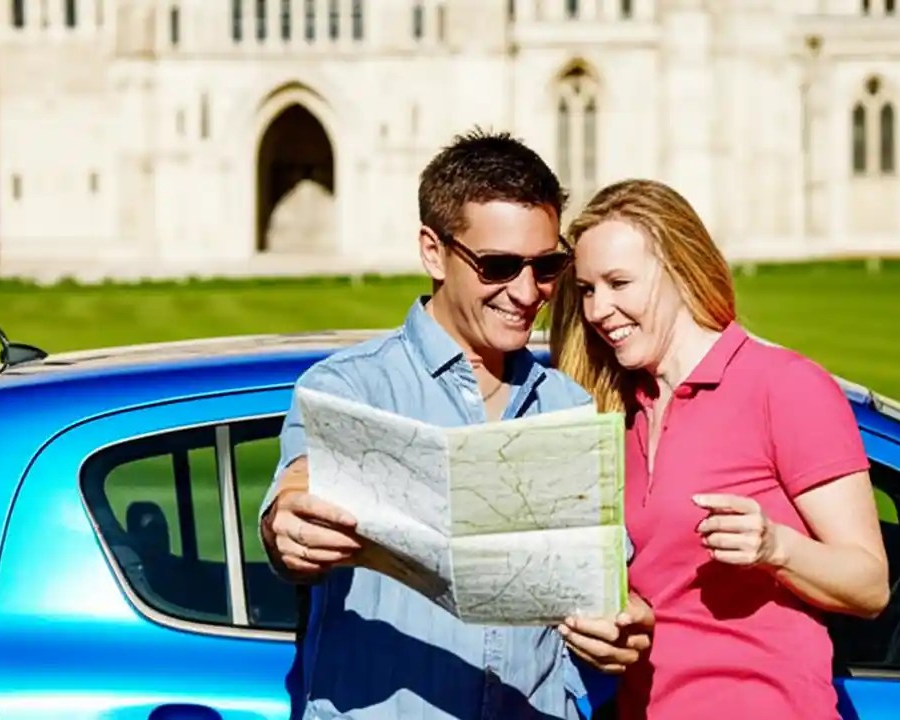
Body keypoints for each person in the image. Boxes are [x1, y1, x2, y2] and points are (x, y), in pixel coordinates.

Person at [257, 129, 654, 720]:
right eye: (498, 266)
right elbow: (295, 493)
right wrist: (285, 523)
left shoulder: (568, 407)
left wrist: (627, 625)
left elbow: (605, 588)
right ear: (432, 252)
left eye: (547, 266)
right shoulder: (348, 387)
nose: (527, 293)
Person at [547, 179, 890, 720]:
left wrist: (776, 547)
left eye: (619, 283)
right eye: (588, 289)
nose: (598, 310)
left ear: (680, 270)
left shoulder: (784, 385)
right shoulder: (619, 409)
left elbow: (869, 585)